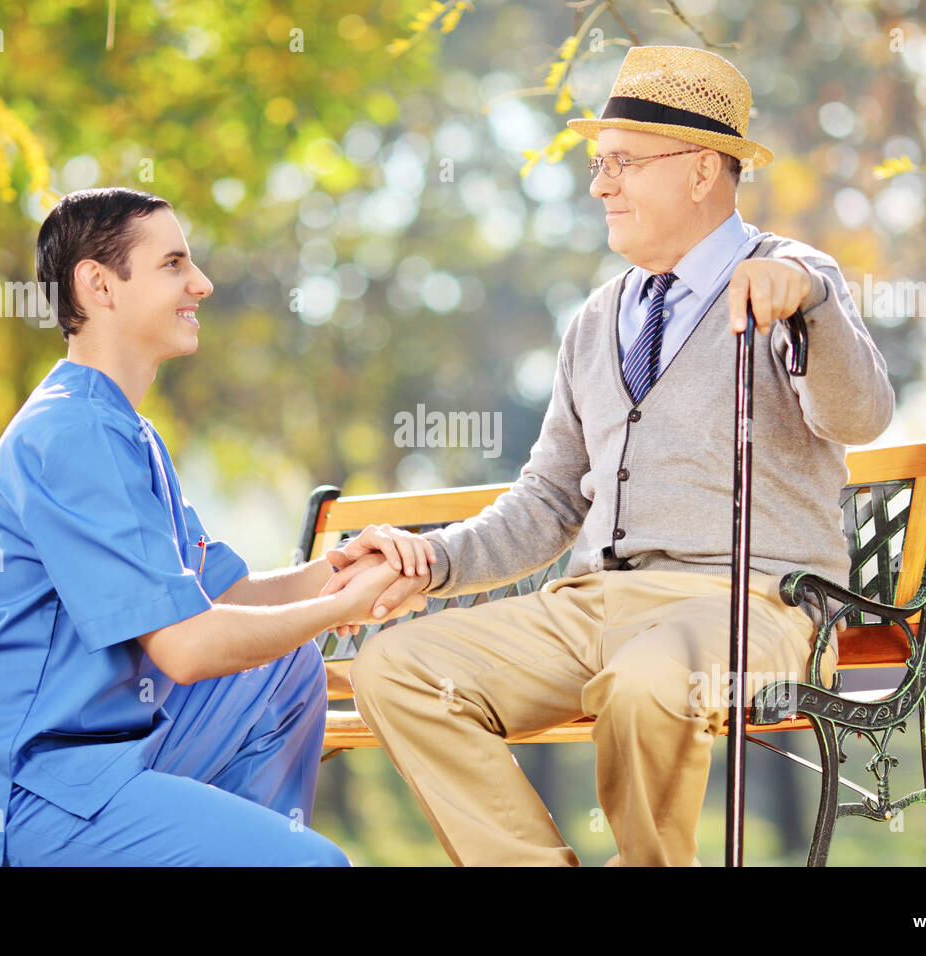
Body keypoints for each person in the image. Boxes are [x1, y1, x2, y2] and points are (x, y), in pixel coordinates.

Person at [325, 46, 896, 866]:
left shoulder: (793, 279)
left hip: (753, 604)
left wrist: (811, 307)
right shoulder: (598, 319)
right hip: (592, 606)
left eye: (622, 163)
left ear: (703, 171)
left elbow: (862, 414)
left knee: (648, 681)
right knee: (397, 668)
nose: (599, 185)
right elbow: (551, 499)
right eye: (599, 165)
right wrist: (435, 560)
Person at [0, 187, 432, 866]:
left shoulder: (124, 431)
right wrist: (339, 608)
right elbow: (187, 649)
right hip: (23, 796)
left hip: (105, 760)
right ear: (99, 285)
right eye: (173, 264)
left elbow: (223, 596)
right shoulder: (70, 434)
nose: (202, 283)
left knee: (284, 671)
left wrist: (338, 568)